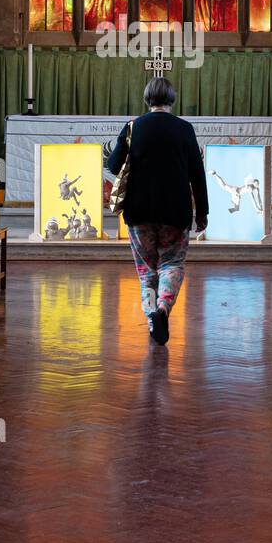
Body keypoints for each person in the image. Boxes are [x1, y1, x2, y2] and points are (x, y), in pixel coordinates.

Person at [108, 76, 209, 346]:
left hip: (138, 209)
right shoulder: (184, 129)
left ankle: (151, 313)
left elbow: (114, 165)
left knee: (146, 269)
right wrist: (203, 212)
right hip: (176, 209)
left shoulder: (133, 127)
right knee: (172, 263)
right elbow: (197, 174)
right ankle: (163, 309)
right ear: (172, 99)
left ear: (147, 99)